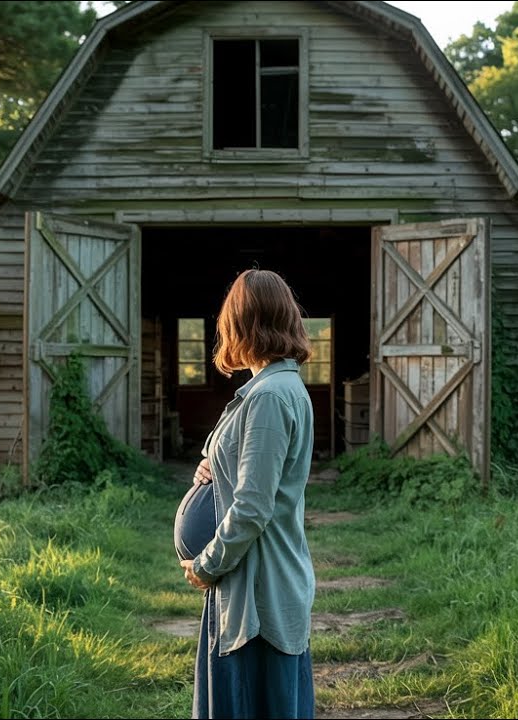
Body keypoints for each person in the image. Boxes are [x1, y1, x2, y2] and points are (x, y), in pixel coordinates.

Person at [178, 268, 316, 720]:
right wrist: (211, 467)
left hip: (256, 592)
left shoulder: (269, 396)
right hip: (245, 582)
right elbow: (245, 469)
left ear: (244, 324)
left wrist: (206, 565)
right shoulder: (267, 389)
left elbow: (253, 507)